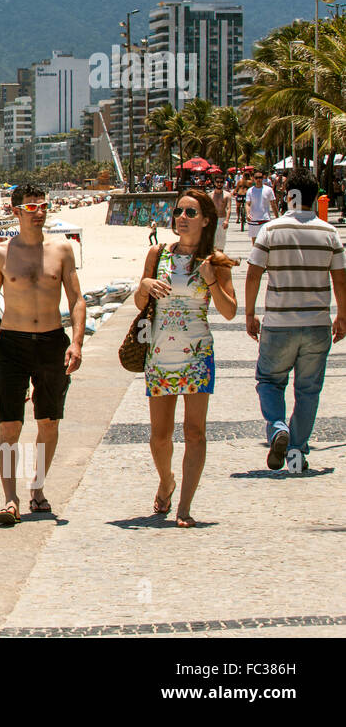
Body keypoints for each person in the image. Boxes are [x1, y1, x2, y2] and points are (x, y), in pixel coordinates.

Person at [0, 183, 86, 525]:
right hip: (12, 343)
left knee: (49, 421)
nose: (38, 213)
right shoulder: (0, 254)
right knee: (10, 424)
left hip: (52, 341)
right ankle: (10, 499)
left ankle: (37, 488)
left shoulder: (63, 249)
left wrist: (78, 341)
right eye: (31, 207)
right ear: (15, 211)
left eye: (42, 206)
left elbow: (76, 299)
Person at [136, 189, 237, 527]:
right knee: (160, 435)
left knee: (195, 432)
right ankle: (166, 480)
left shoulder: (215, 260)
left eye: (191, 213)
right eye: (179, 211)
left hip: (197, 355)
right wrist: (146, 284)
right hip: (161, 354)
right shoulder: (158, 253)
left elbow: (229, 311)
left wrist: (211, 281)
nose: (182, 217)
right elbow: (139, 304)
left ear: (206, 220)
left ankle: (184, 506)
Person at [245, 169, 346, 473]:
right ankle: (297, 454)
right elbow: (340, 279)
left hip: (279, 324)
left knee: (269, 381)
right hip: (317, 325)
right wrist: (342, 315)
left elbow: (253, 274)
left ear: (288, 195)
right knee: (308, 391)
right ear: (316, 198)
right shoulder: (329, 233)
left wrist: (250, 314)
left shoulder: (271, 230)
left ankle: (277, 428)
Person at [245, 170, 273, 240]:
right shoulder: (250, 190)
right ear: (253, 179)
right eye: (256, 178)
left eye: (260, 177)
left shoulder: (269, 190)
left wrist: (277, 216)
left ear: (263, 178)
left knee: (266, 241)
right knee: (255, 243)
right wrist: (248, 214)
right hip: (253, 220)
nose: (258, 180)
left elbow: (273, 204)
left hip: (265, 219)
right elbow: (247, 204)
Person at [210, 177, 231, 252]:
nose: (219, 184)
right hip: (213, 221)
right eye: (217, 182)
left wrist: (227, 221)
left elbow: (228, 208)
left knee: (221, 243)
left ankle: (219, 260)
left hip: (222, 220)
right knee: (212, 242)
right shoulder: (210, 195)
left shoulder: (227, 195)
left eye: (221, 182)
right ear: (214, 183)